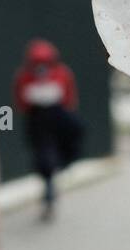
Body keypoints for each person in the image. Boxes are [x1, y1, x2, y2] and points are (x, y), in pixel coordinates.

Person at [12, 39, 82, 221]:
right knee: (45, 157)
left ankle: (57, 172)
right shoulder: (23, 76)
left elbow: (69, 99)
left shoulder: (62, 73)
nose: (41, 69)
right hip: (38, 121)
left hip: (58, 118)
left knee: (72, 136)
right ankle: (49, 190)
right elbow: (21, 102)